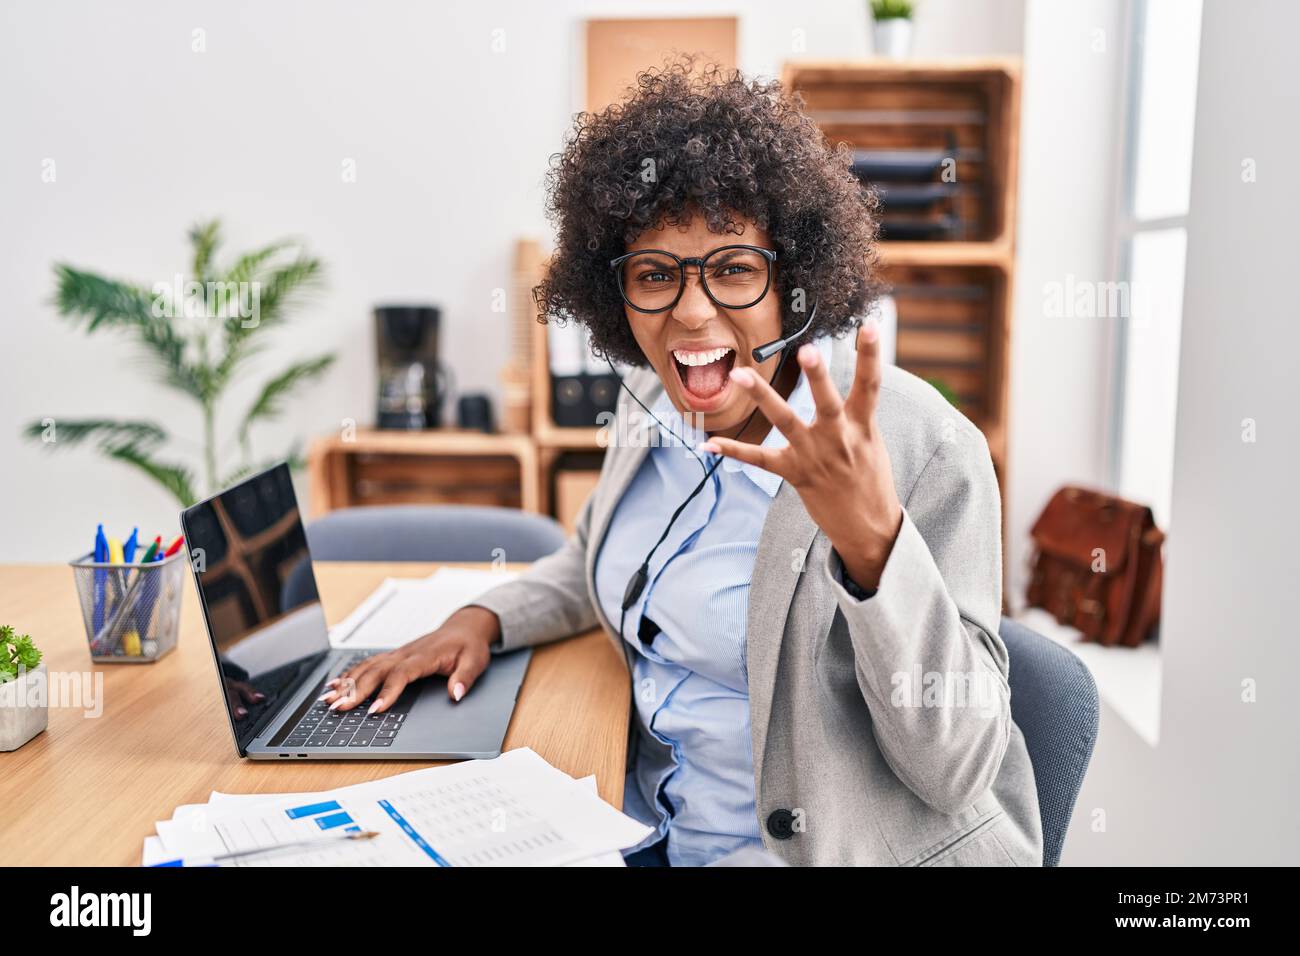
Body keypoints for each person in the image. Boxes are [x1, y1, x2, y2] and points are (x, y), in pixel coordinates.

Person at [322, 60, 1043, 867]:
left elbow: (958, 766)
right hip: (649, 831)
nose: (691, 313)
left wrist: (874, 547)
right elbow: (594, 557)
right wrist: (480, 621)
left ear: (794, 284)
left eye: (734, 269)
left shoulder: (923, 447)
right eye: (655, 275)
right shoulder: (649, 401)